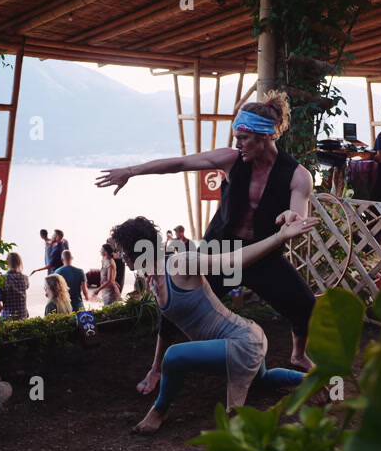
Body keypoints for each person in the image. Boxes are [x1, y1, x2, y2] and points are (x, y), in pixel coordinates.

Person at [95, 90, 317, 396]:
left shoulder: (298, 176)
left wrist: (292, 217)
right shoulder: (231, 160)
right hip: (219, 251)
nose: (237, 144)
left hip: (263, 255)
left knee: (305, 305)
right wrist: (132, 172)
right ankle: (157, 367)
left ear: (264, 137)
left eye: (243, 138)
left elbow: (297, 215)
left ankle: (298, 354)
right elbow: (181, 163)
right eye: (237, 137)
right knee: (174, 305)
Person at [110, 215, 317, 434]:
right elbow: (167, 326)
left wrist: (280, 236)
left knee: (174, 356)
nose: (120, 256)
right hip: (237, 343)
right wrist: (155, 369)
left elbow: (233, 260)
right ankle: (326, 382)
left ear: (136, 249)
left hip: (243, 341)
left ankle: (158, 413)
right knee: (263, 379)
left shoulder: (180, 263)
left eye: (123, 251)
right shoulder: (155, 280)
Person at [0, 252, 29, 321]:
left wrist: (3, 311)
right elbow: (26, 287)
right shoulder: (25, 278)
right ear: (19, 263)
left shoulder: (2, 279)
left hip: (8, 317)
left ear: (7, 263)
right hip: (23, 315)